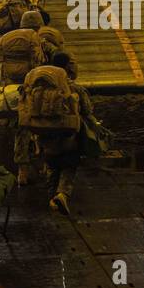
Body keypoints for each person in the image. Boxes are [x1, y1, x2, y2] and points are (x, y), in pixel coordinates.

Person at [19, 51, 95, 216]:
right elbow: (88, 110)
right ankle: (62, 194)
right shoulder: (73, 87)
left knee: (52, 164)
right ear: (67, 66)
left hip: (43, 132)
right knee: (69, 164)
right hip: (67, 133)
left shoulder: (38, 85)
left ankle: (52, 197)